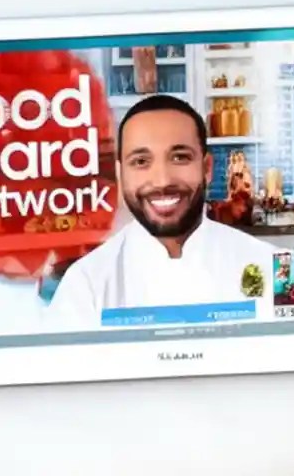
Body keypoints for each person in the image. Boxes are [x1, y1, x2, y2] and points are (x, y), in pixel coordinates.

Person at [45, 95, 280, 330]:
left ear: (207, 168)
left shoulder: (271, 268)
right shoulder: (85, 285)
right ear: (120, 174)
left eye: (180, 157)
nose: (162, 180)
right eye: (140, 161)